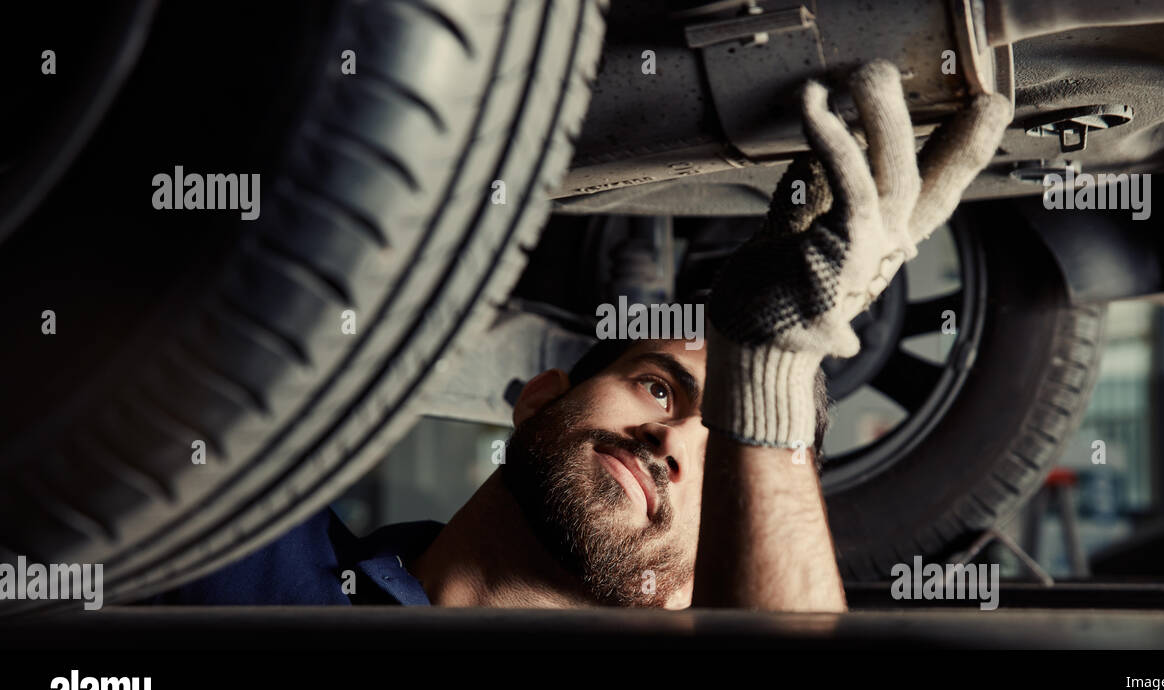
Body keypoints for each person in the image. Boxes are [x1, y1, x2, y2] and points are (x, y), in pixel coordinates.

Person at [145, 61, 1011, 611]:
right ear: (538, 396)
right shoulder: (244, 548)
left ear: (696, 590)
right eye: (660, 387)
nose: (672, 441)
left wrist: (774, 372)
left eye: (718, 455)